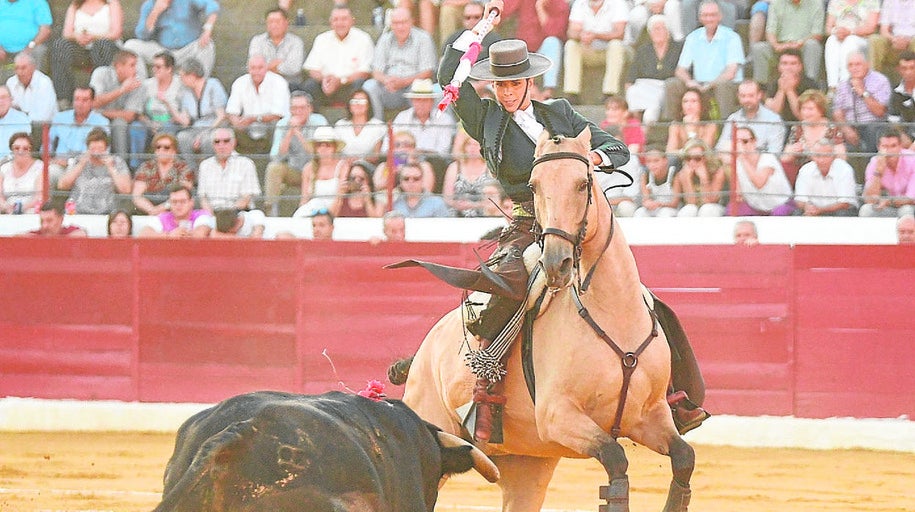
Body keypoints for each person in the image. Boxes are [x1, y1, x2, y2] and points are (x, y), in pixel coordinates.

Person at [441, 15, 712, 441]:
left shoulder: (560, 115)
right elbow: (447, 76)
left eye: (515, 84)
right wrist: (477, 31)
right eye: (501, 85)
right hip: (531, 224)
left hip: (583, 223)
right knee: (499, 295)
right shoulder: (486, 120)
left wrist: (590, 161)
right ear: (492, 86)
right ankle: (486, 393)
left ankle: (674, 397)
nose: (508, 92)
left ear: (529, 83)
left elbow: (616, 148)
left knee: (643, 300)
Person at [663, 0, 744, 121]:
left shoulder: (732, 37)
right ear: (700, 17)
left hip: (724, 84)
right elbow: (680, 70)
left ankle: (723, 127)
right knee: (672, 84)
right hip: (699, 83)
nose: (709, 19)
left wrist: (709, 85)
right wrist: (690, 82)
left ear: (720, 16)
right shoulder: (693, 37)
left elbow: (731, 72)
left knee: (723, 86)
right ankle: (671, 126)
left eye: (712, 15)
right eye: (705, 15)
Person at [362, 7, 437, 118]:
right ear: (391, 24)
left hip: (413, 85)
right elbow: (376, 71)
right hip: (390, 88)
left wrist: (403, 82)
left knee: (418, 88)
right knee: (370, 86)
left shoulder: (423, 38)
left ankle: (415, 125)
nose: (400, 27)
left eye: (404, 22)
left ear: (412, 22)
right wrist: (387, 80)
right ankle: (378, 123)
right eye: (396, 23)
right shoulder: (385, 39)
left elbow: (428, 71)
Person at [264, 91, 329, 216]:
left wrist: (298, 133)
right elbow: (276, 156)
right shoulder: (283, 123)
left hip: (315, 170)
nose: (298, 112)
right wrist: (289, 132)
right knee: (273, 168)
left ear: (310, 108)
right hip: (294, 170)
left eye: (302, 108)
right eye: (294, 108)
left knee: (312, 167)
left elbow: (319, 155)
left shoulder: (319, 122)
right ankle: (271, 212)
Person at [50, 0, 124, 105]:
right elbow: (66, 33)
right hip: (82, 49)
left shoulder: (111, 3)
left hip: (106, 47)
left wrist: (94, 37)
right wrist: (77, 36)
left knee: (101, 45)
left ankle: (97, 97)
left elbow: (116, 33)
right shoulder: (75, 5)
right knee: (60, 45)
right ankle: (64, 98)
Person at [301, 4, 374, 109]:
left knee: (360, 83)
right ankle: (316, 121)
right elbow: (312, 69)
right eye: (336, 19)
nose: (340, 23)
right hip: (326, 86)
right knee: (310, 85)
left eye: (344, 19)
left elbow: (365, 72)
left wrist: (340, 81)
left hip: (349, 85)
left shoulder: (363, 39)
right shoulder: (322, 39)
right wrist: (325, 80)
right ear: (331, 22)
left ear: (352, 21)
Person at [124, 0, 220, 76]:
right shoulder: (149, 5)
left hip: (188, 49)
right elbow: (142, 35)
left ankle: (199, 86)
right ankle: (140, 86)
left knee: (207, 45)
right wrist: (156, 11)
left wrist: (207, 29)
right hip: (162, 51)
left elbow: (212, 5)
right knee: (131, 46)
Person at [562, 0, 630, 101]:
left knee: (616, 45)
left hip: (610, 51)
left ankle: (610, 93)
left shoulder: (618, 3)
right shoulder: (579, 3)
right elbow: (571, 32)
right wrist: (581, 35)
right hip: (589, 50)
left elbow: (619, 33)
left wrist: (595, 35)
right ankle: (572, 93)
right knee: (571, 45)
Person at [89, 49, 147, 166]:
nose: (135, 69)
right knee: (97, 121)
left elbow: (129, 115)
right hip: (97, 119)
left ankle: (122, 166)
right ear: (119, 66)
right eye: (132, 65)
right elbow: (93, 102)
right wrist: (122, 90)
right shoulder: (101, 73)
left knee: (120, 123)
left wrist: (101, 112)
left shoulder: (137, 83)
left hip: (118, 121)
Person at [500, 0, 569, 99]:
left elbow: (552, 32)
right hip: (523, 50)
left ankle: (548, 91)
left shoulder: (560, 4)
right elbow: (504, 11)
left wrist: (540, 8)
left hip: (543, 51)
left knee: (553, 42)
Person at [225, 54, 290, 156]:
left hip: (270, 127)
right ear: (248, 69)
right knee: (228, 128)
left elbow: (279, 115)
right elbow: (231, 111)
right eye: (253, 68)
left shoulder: (279, 82)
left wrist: (254, 119)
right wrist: (236, 121)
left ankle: (274, 157)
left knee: (277, 125)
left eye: (260, 67)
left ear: (266, 67)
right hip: (247, 129)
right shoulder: (240, 82)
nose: (256, 72)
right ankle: (243, 158)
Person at [56, 127, 132, 214]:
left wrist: (111, 168)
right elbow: (62, 185)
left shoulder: (117, 162)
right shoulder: (78, 160)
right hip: (78, 211)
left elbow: (126, 190)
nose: (96, 152)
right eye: (93, 149)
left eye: (100, 149)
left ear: (106, 148)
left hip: (107, 213)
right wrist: (81, 165)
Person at [833, 51, 891, 158]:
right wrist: (846, 129)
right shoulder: (843, 85)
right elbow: (838, 112)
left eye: (858, 64)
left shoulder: (880, 81)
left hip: (874, 125)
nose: (854, 68)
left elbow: (880, 112)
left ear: (867, 64)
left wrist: (862, 91)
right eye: (851, 65)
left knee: (873, 132)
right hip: (851, 127)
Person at [625, 14, 682, 123]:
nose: (657, 32)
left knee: (652, 110)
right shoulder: (643, 50)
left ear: (668, 31)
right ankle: (636, 124)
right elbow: (631, 77)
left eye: (660, 29)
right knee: (632, 92)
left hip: (665, 86)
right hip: (645, 85)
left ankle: (645, 131)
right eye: (653, 30)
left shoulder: (677, 48)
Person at [749, 0, 824, 84]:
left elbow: (817, 34)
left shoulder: (816, 3)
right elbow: (770, 31)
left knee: (813, 45)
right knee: (759, 48)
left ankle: (811, 86)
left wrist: (799, 43)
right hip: (781, 46)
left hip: (803, 46)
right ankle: (761, 87)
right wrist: (776, 45)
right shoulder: (776, 2)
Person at [48, 86, 111, 183]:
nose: (79, 104)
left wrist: (71, 162)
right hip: (60, 166)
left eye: (84, 100)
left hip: (87, 168)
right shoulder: (60, 118)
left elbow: (103, 152)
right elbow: (48, 144)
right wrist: (50, 160)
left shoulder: (102, 122)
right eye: (76, 99)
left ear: (92, 102)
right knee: (49, 172)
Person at [781, 89, 846, 182]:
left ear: (821, 110)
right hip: (801, 171)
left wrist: (824, 154)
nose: (806, 113)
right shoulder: (797, 128)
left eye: (810, 109)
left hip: (825, 169)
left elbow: (842, 157)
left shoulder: (832, 128)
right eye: (803, 108)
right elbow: (785, 157)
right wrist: (793, 151)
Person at [135, 52, 186, 169]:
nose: (154, 70)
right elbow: (138, 112)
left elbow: (183, 112)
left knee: (166, 129)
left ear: (169, 69)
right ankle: (135, 167)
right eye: (153, 66)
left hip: (172, 124)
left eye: (158, 67)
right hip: (150, 123)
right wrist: (150, 124)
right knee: (136, 128)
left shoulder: (180, 85)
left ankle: (162, 169)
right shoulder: (147, 85)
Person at [730, 126, 795, 215]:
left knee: (779, 214)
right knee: (731, 210)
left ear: (754, 142)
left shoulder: (768, 158)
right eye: (736, 142)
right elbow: (738, 195)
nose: (740, 145)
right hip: (756, 207)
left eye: (745, 141)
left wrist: (742, 158)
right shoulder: (737, 163)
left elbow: (759, 183)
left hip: (780, 204)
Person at [173, 58, 227, 164]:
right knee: (182, 137)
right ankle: (193, 173)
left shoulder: (213, 85)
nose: (181, 79)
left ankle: (208, 171)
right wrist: (167, 104)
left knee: (207, 141)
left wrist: (202, 135)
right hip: (196, 128)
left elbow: (221, 116)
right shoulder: (186, 92)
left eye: (182, 76)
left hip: (215, 127)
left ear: (192, 75)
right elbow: (185, 122)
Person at [196, 128, 261, 212]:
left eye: (226, 141)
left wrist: (228, 215)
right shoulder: (205, 165)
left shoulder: (246, 163)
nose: (221, 145)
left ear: (234, 143)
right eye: (217, 142)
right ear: (212, 145)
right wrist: (212, 215)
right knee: (200, 221)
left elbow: (247, 197)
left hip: (240, 212)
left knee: (257, 216)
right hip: (212, 213)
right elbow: (203, 198)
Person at [716, 79, 785, 155]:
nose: (747, 100)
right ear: (738, 96)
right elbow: (720, 148)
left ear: (759, 95)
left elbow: (775, 153)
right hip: (736, 162)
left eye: (751, 96)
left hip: (763, 164)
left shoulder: (773, 120)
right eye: (743, 96)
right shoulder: (733, 118)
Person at [793, 138, 860, 216]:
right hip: (813, 211)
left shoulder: (845, 169)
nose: (821, 160)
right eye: (818, 156)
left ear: (834, 156)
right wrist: (807, 207)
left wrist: (820, 210)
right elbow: (799, 199)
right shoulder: (805, 170)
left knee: (843, 214)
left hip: (838, 211)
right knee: (797, 214)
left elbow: (845, 203)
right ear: (812, 156)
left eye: (826, 156)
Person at [131, 133, 195, 215]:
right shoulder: (146, 167)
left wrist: (161, 208)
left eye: (166, 148)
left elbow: (184, 194)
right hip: (148, 210)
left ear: (174, 151)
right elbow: (137, 196)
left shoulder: (184, 168)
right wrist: (151, 210)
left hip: (174, 211)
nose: (161, 150)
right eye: (158, 147)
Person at [823, 0, 879, 90]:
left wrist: (850, 32)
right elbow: (828, 28)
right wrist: (836, 32)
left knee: (849, 40)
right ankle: (832, 86)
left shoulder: (871, 1)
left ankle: (845, 86)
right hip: (839, 36)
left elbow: (871, 27)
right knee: (831, 40)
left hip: (862, 38)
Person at [860, 128, 915, 217]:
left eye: (893, 146)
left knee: (906, 210)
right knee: (866, 210)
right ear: (878, 147)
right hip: (890, 207)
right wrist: (878, 172)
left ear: (900, 146)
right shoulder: (874, 162)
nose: (890, 151)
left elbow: (911, 198)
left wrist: (889, 201)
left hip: (910, 207)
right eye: (885, 146)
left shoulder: (912, 160)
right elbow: (869, 199)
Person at [296, 126, 347, 215]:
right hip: (313, 213)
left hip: (336, 213)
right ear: (315, 148)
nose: (323, 148)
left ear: (334, 147)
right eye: (319, 145)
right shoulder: (308, 168)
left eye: (328, 145)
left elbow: (340, 198)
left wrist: (328, 217)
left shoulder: (342, 166)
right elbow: (304, 199)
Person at [248, 8, 305, 87]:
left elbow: (294, 68)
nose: (274, 25)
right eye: (270, 22)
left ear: (286, 23)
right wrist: (277, 64)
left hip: (289, 84)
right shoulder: (257, 41)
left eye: (278, 22)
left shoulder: (296, 42)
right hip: (264, 83)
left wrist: (267, 67)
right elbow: (255, 67)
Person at [763, 49, 819, 122]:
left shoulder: (810, 85)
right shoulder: (773, 83)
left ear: (800, 66)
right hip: (779, 126)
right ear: (779, 66)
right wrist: (781, 90)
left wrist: (790, 91)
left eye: (793, 63)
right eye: (784, 63)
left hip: (803, 126)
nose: (788, 68)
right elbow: (773, 114)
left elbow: (804, 117)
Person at [675, 137, 727, 216]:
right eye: (688, 158)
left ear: (705, 158)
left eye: (697, 158)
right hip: (694, 208)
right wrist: (688, 179)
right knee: (689, 209)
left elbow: (710, 200)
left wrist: (704, 178)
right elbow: (691, 202)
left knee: (707, 209)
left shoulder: (718, 171)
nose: (692, 162)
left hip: (715, 207)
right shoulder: (682, 174)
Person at [138, 184, 214, 237]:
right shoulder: (163, 217)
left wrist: (181, 234)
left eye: (182, 201)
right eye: (174, 202)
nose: (178, 205)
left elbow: (200, 233)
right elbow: (143, 234)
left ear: (191, 202)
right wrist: (169, 235)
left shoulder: (201, 215)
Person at [442, 136, 491, 216]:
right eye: (469, 144)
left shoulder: (490, 168)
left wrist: (473, 205)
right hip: (457, 212)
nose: (472, 148)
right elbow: (447, 197)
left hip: (484, 213)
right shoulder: (454, 167)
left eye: (476, 145)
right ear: (464, 147)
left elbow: (495, 199)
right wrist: (457, 204)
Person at [334, 88, 387, 162]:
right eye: (354, 101)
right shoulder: (340, 125)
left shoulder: (378, 126)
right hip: (343, 165)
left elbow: (376, 156)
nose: (358, 104)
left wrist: (359, 160)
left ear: (368, 105)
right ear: (349, 105)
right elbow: (335, 152)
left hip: (367, 166)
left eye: (362, 101)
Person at [868, 0, 915, 80]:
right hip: (894, 41)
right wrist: (894, 39)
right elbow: (884, 30)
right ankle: (874, 82)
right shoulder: (889, 1)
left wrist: (908, 40)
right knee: (875, 40)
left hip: (912, 41)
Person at [6, 52, 57, 125]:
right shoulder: (10, 82)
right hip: (17, 127)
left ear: (33, 68)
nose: (19, 72)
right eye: (17, 68)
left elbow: (44, 116)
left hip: (43, 128)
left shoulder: (44, 83)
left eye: (23, 68)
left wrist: (20, 118)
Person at [0, 0, 52, 71]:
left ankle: (34, 81)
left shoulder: (37, 2)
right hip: (2, 49)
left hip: (31, 47)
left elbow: (45, 30)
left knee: (39, 51)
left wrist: (29, 47)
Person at [0, 132, 42, 214]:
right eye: (17, 148)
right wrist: (6, 207)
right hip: (6, 212)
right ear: (11, 150)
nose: (20, 151)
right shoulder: (4, 168)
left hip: (31, 211)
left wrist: (21, 208)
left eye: (25, 148)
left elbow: (40, 196)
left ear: (31, 150)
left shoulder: (40, 167)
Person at [666, 88, 717, 154]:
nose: (689, 105)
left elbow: (704, 151)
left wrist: (691, 131)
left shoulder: (710, 125)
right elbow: (670, 152)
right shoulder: (675, 125)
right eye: (685, 101)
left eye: (694, 101)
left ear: (701, 104)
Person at [634, 146, 681, 217]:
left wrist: (659, 204)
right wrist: (647, 203)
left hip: (671, 209)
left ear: (665, 160)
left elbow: (675, 203)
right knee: (640, 212)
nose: (652, 165)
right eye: (649, 161)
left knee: (664, 213)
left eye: (656, 161)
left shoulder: (674, 174)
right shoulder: (645, 175)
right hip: (654, 208)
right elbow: (645, 198)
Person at [21, 201, 87, 237]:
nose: (44, 226)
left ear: (61, 220)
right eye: (42, 221)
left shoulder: (69, 231)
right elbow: (18, 237)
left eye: (49, 221)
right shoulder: (38, 234)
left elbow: (82, 234)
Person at [0, 85, 32, 161]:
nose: (0, 101)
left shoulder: (21, 119)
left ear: (11, 100)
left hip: (9, 163)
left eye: (3, 97)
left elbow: (22, 148)